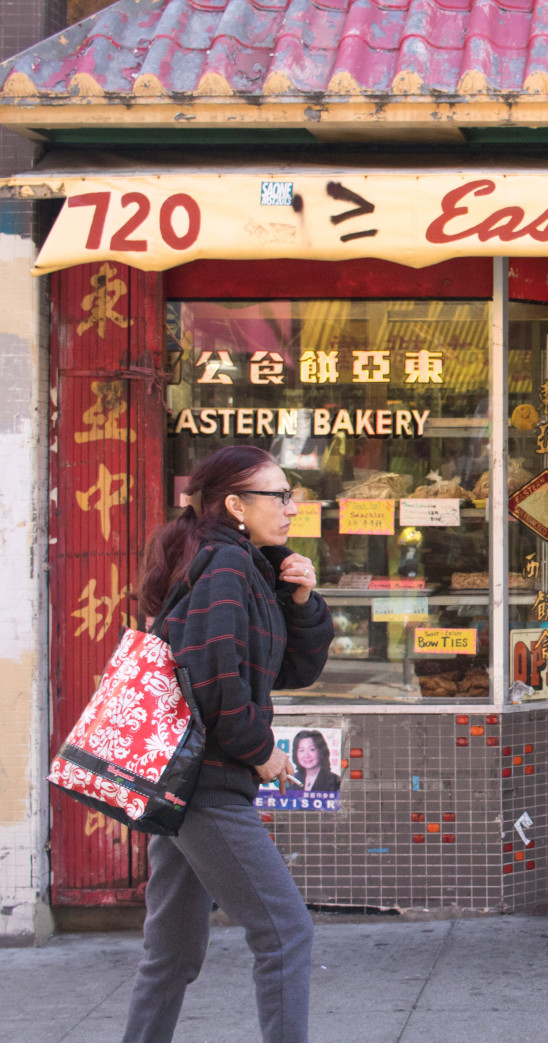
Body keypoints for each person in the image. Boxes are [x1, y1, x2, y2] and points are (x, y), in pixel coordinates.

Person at [123, 445, 333, 1043]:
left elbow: (288, 670)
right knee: (285, 933)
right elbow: (213, 677)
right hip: (207, 786)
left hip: (182, 786)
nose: (292, 508)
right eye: (279, 496)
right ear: (236, 505)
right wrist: (260, 751)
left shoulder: (245, 565)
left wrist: (301, 602)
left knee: (172, 954)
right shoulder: (224, 567)